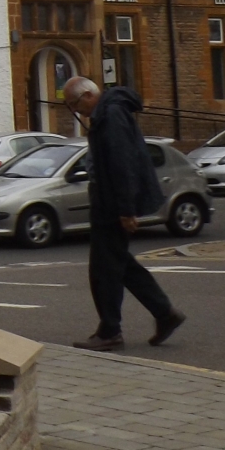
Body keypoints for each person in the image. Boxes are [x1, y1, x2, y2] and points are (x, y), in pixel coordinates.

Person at [62, 76, 184, 351]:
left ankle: (110, 332)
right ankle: (165, 313)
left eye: (74, 104)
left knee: (104, 270)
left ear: (88, 95)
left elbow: (122, 163)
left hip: (111, 204)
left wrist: (126, 209)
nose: (75, 110)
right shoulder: (107, 113)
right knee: (119, 264)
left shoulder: (112, 115)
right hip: (107, 200)